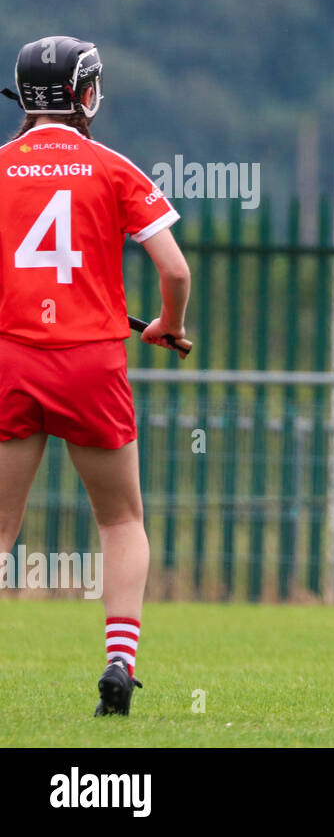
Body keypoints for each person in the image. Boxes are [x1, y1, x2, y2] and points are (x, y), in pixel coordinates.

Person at [0, 36, 191, 716]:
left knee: (0, 525)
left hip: (12, 358)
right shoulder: (113, 168)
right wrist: (166, 323)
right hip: (92, 362)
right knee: (119, 518)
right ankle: (119, 659)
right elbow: (174, 270)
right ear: (85, 94)